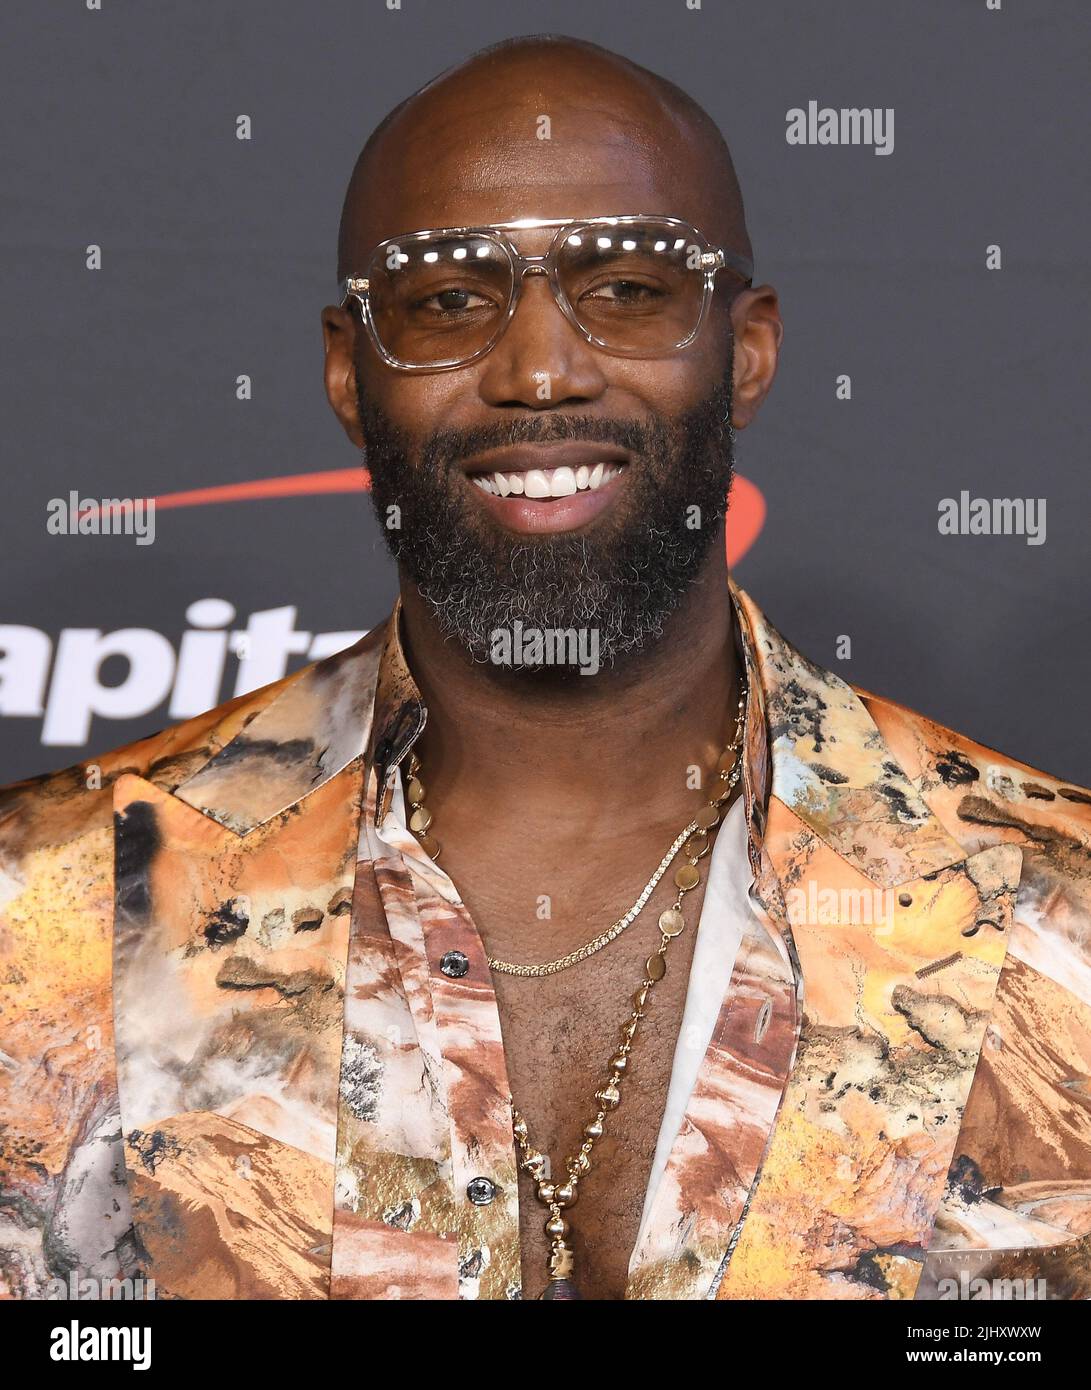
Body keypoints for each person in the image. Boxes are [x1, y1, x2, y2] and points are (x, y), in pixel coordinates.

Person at [1, 34, 1089, 1303]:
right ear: (349, 372)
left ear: (746, 348)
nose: (537, 370)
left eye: (627, 287)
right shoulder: (52, 910)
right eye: (447, 299)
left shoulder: (1047, 916)